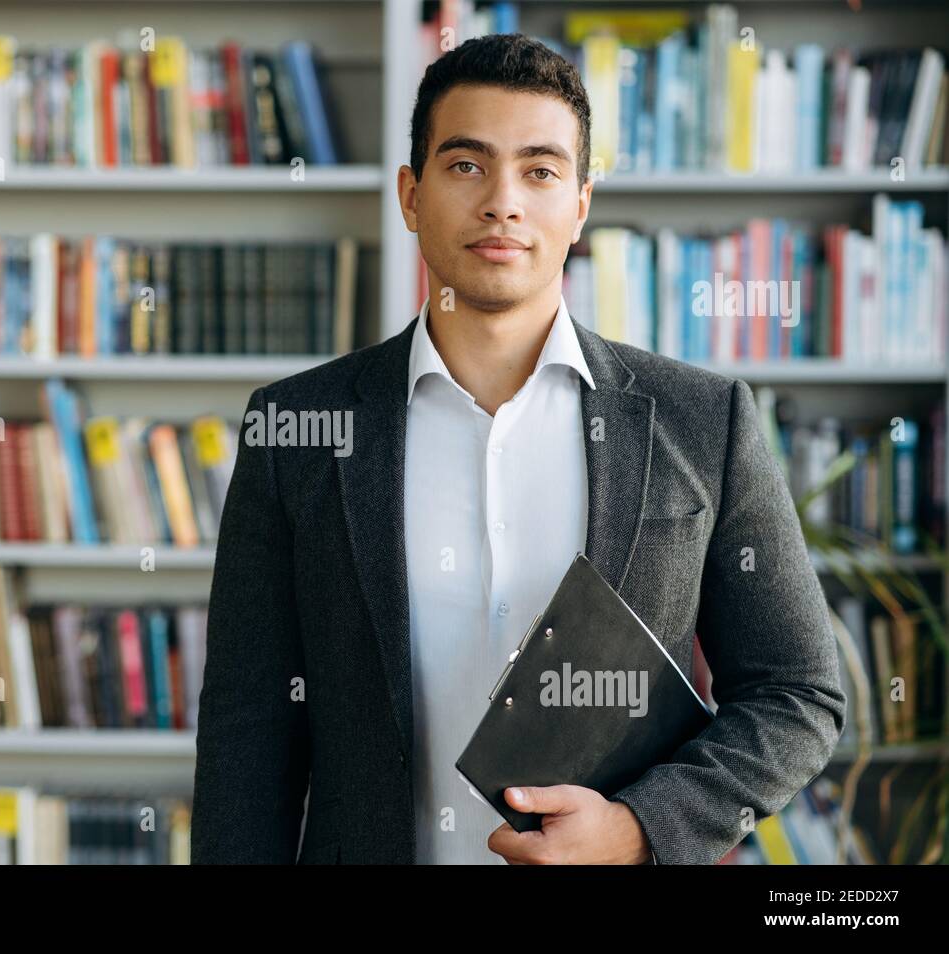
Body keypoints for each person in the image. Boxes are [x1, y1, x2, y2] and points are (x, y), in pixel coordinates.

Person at [190, 33, 845, 864]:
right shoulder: (295, 429)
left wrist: (641, 828)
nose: (504, 200)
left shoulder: (701, 421)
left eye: (540, 170)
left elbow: (798, 695)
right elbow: (248, 728)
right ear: (410, 194)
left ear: (580, 203)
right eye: (466, 165)